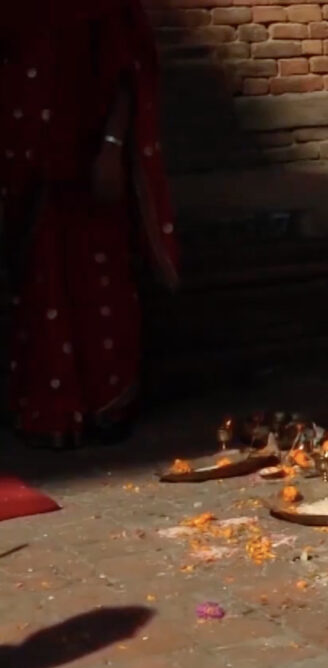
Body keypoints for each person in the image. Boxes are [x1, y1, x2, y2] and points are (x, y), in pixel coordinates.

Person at [2, 0, 179, 448]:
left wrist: (113, 145)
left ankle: (107, 404)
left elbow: (126, 69)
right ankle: (51, 413)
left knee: (98, 281)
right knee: (38, 288)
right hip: (23, 162)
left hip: (86, 151)